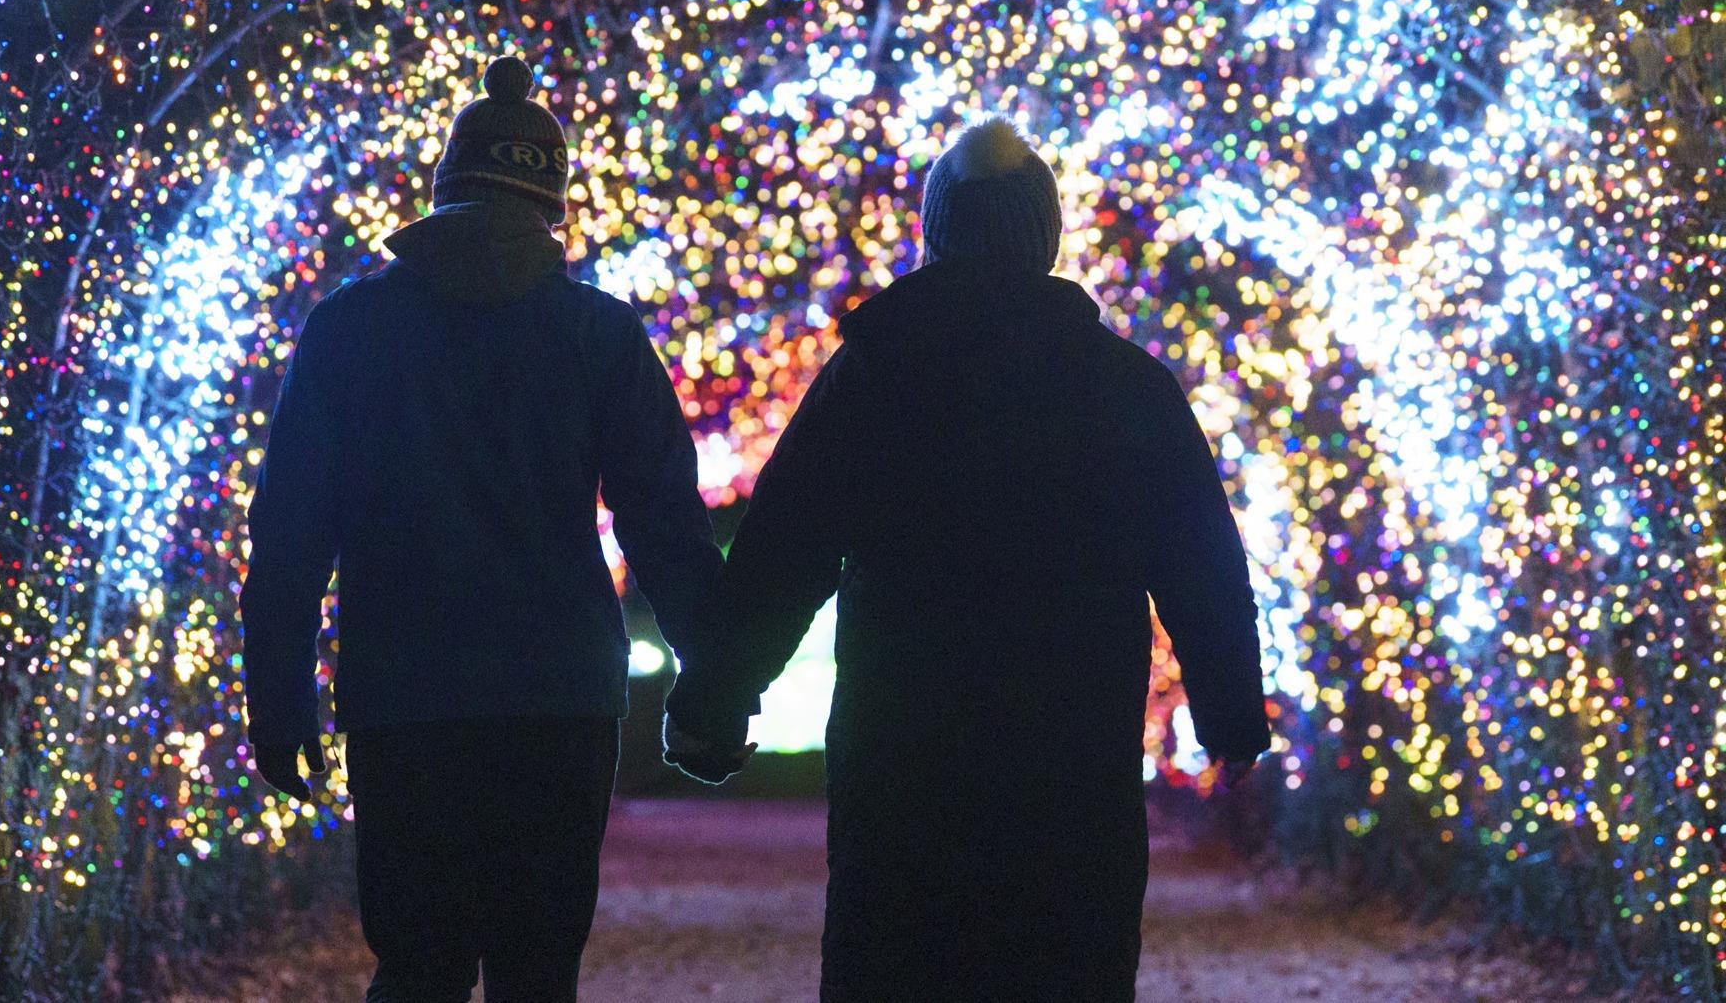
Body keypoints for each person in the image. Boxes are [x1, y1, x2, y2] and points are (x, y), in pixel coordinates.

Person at [664, 118, 1271, 1002]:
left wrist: (714, 702)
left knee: (896, 963)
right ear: (1045, 236)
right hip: (1071, 755)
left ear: (935, 233)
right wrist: (1229, 716)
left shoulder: (872, 375)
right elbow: (1202, 565)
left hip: (903, 754)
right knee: (1068, 964)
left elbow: (783, 552)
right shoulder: (1125, 385)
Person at [240, 55, 723, 1003]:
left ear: (443, 194)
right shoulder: (598, 334)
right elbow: (662, 519)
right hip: (558, 702)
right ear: (554, 206)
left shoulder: (349, 329)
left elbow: (293, 526)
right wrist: (718, 676)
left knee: (416, 965)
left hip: (405, 699)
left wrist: (278, 689)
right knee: (537, 971)